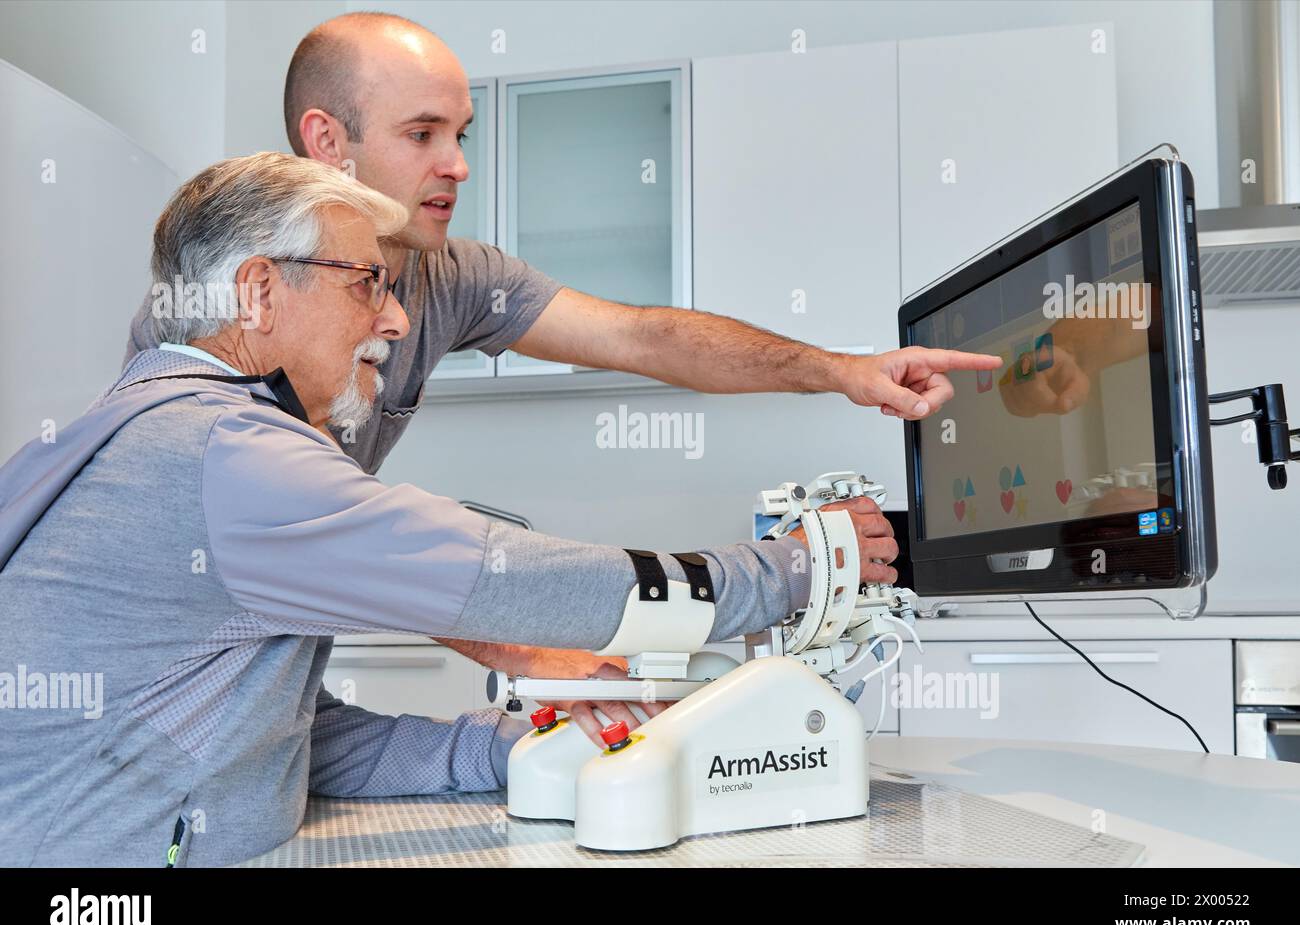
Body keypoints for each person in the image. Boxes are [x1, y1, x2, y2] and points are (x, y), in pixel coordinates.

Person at [0, 153, 909, 866]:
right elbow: (491, 574)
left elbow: (274, 742)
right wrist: (792, 568)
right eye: (367, 283)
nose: (395, 323)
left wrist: (503, 751)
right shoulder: (226, 453)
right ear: (258, 292)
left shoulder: (142, 426)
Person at [124, 11, 1001, 737]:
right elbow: (355, 545)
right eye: (422, 133)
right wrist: (527, 643)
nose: (458, 164)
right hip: (181, 699)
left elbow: (643, 337)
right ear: (329, 142)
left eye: (461, 135)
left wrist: (839, 371)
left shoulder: (451, 275)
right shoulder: (238, 313)